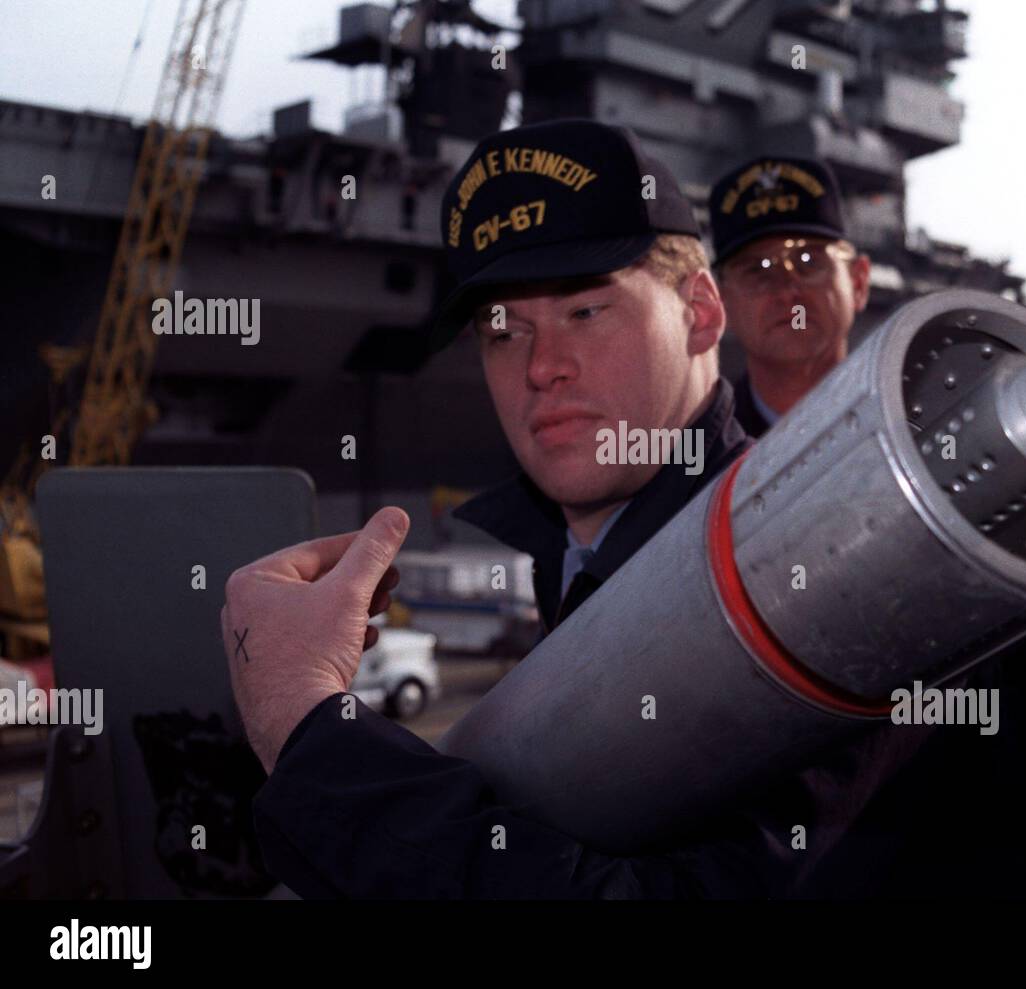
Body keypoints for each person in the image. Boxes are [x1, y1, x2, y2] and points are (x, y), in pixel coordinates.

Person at [223, 120, 932, 899]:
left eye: (586, 310)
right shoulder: (575, 554)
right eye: (502, 328)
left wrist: (308, 726)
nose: (541, 366)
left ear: (700, 310)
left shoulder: (825, 577)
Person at [708, 156, 872, 437]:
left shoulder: (912, 423)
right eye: (757, 270)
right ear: (721, 305)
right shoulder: (699, 462)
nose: (786, 292)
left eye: (808, 261)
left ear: (858, 282)